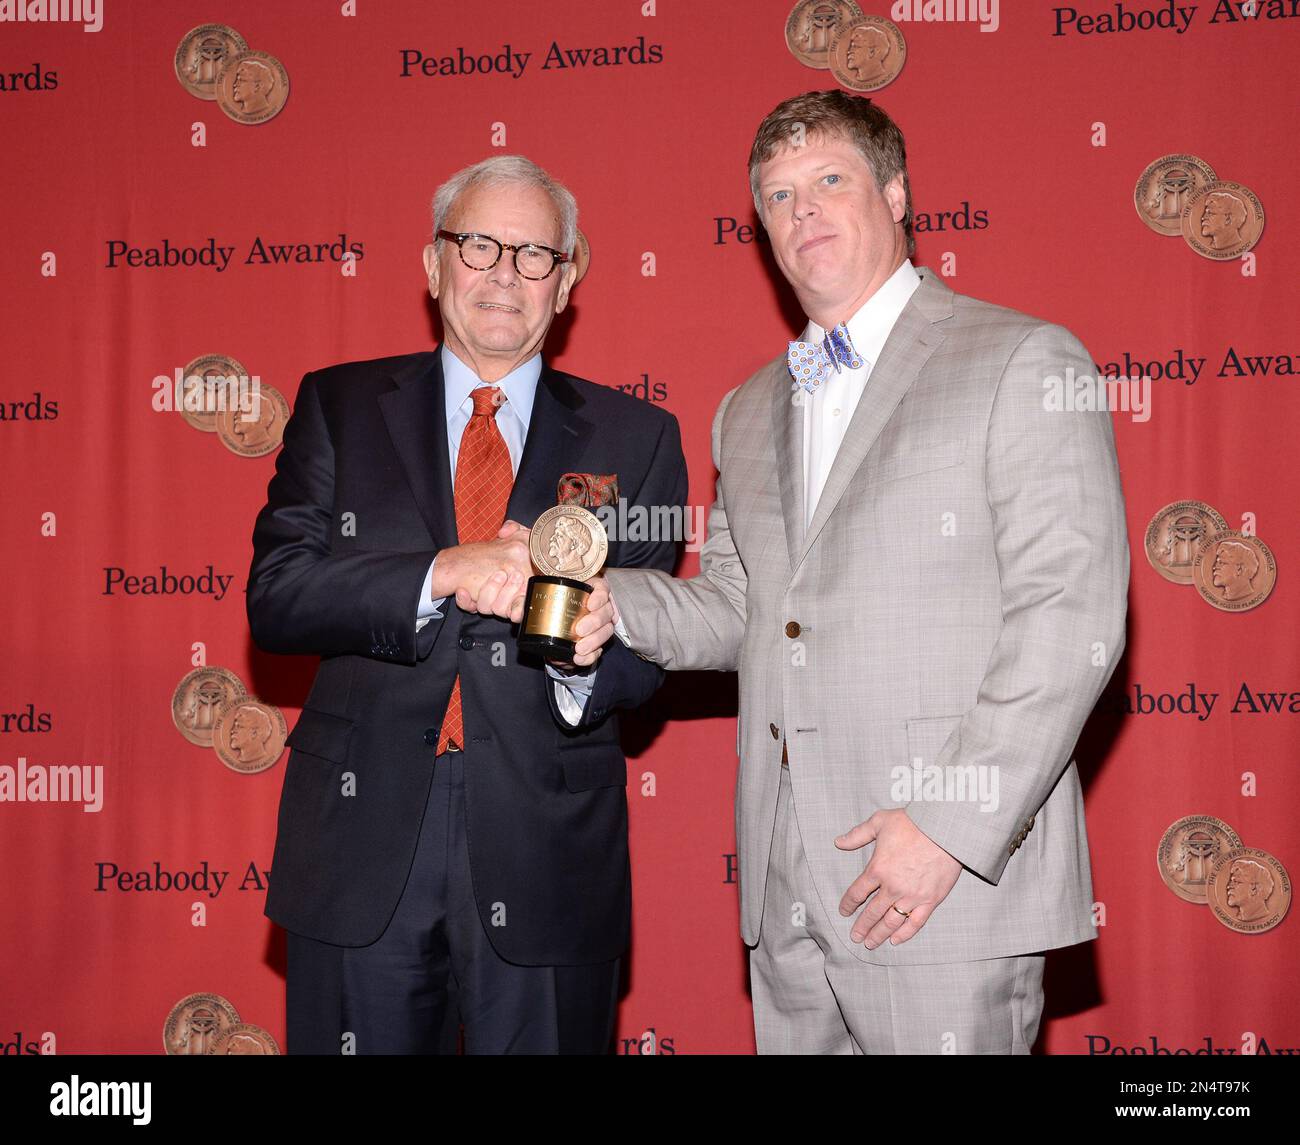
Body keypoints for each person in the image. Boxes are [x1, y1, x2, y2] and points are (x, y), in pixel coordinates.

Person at [575, 90, 1130, 1053]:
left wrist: (947, 829)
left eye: (830, 180)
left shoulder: (1021, 358)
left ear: (898, 192)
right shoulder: (747, 410)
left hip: (944, 877)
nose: (804, 211)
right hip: (790, 883)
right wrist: (611, 600)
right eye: (780, 196)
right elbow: (743, 610)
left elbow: (1070, 617)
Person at [246, 154, 687, 1054]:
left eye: (534, 256)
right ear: (432, 263)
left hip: (548, 848)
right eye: (479, 244)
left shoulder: (638, 437)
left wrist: (589, 653)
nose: (503, 274)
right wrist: (443, 568)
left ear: (565, 284)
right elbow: (279, 595)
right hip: (361, 842)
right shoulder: (340, 403)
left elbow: (650, 653)